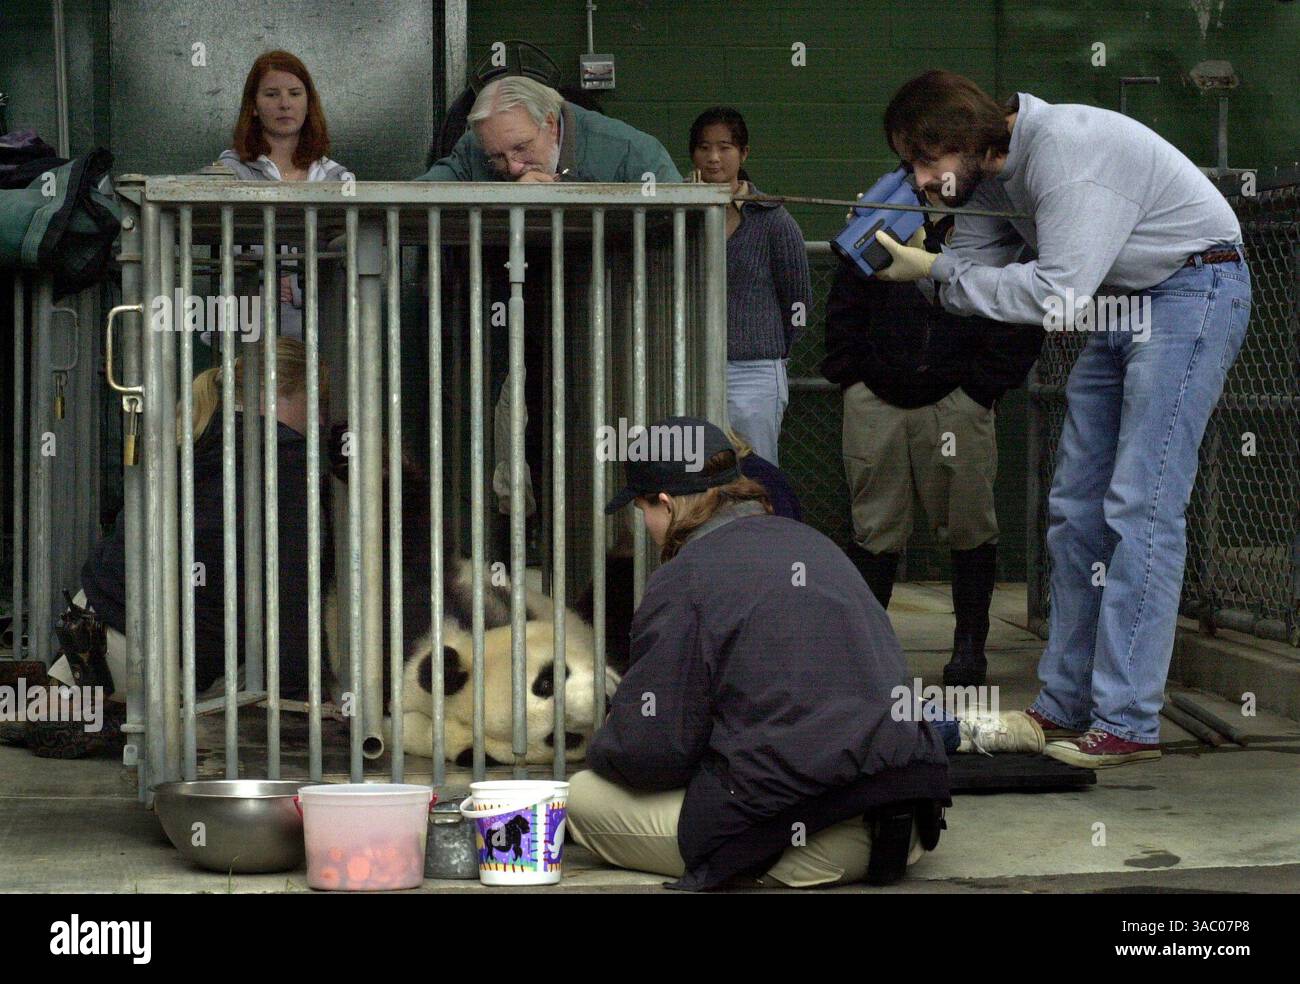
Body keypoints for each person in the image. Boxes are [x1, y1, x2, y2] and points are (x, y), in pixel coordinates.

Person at [872, 70, 1250, 768]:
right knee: (1076, 509)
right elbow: (972, 276)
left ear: (963, 140)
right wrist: (931, 262)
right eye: (910, 165)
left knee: (1143, 507)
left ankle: (1129, 722)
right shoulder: (987, 176)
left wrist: (938, 274)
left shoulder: (1064, 153)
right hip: (1122, 300)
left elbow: (1056, 296)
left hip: (1193, 287)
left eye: (926, 162)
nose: (920, 179)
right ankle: (1064, 705)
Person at [566, 416, 952, 891]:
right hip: (910, 820)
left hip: (814, 840)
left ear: (665, 504)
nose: (643, 524)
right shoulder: (815, 545)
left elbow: (652, 755)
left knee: (582, 797)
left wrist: (608, 732)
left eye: (641, 508)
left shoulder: (683, 580)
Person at [416, 75, 682, 532]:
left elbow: (683, 223)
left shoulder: (629, 151)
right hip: (523, 325)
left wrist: (566, 192)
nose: (512, 165)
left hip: (618, 324)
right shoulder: (476, 150)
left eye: (520, 149)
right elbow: (421, 197)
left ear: (553, 124)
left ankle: (615, 554)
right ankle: (546, 547)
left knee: (617, 434)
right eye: (497, 157)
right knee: (533, 440)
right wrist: (506, 197)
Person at [57, 339, 330, 728]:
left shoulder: (193, 434)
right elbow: (291, 590)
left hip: (89, 628)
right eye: (317, 400)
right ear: (282, 393)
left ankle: (72, 706)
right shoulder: (284, 458)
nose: (321, 419)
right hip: (157, 658)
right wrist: (302, 690)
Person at [823, 211, 1044, 686]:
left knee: (969, 524)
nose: (930, 173)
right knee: (874, 527)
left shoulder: (992, 224)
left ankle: (969, 649)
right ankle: (865, 656)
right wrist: (854, 379)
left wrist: (980, 389)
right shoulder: (880, 221)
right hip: (876, 400)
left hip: (957, 402)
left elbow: (1021, 311)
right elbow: (845, 300)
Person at [689, 107, 810, 465]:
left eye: (724, 147)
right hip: (690, 367)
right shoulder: (675, 216)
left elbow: (799, 303)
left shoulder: (773, 219)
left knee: (756, 474)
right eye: (703, 147)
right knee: (696, 477)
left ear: (743, 154)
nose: (713, 158)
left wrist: (771, 352)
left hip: (754, 372)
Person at [216, 50, 352, 343]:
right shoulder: (230, 171)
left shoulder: (336, 177)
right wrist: (264, 279)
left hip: (323, 339)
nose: (285, 104)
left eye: (294, 93)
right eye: (271, 94)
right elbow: (222, 249)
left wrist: (299, 285)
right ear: (253, 106)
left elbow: (352, 258)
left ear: (308, 103)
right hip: (249, 338)